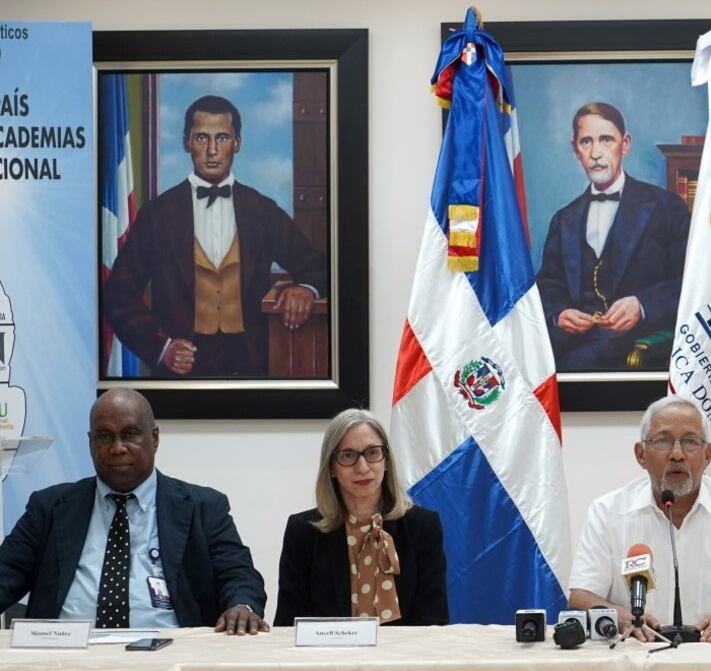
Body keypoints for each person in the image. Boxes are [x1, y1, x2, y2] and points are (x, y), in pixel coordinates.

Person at [0, 388, 268, 633]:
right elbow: (6, 572)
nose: (117, 448)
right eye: (105, 436)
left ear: (154, 439)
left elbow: (238, 574)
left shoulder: (203, 507)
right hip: (64, 655)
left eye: (129, 434)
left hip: (168, 654)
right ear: (90, 442)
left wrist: (242, 606)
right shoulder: (50, 507)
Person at [103, 94, 328, 378]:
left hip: (251, 366)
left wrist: (307, 288)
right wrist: (162, 347)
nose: (212, 150)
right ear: (186, 143)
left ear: (237, 144)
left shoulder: (262, 211)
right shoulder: (158, 215)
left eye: (221, 138)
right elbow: (118, 295)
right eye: (201, 138)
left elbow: (317, 265)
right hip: (182, 371)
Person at [567, 395, 711, 642]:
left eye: (691, 442)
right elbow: (580, 598)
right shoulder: (607, 512)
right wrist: (615, 614)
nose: (677, 454)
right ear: (641, 454)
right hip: (635, 659)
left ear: (708, 456)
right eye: (662, 441)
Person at [535, 102, 691, 371]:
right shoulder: (564, 219)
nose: (596, 153)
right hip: (570, 342)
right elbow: (548, 285)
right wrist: (559, 314)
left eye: (606, 140)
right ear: (575, 150)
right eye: (586, 142)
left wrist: (642, 306)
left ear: (625, 143)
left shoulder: (666, 208)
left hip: (638, 343)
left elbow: (692, 282)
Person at [275, 409, 449, 626]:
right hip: (327, 657)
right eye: (348, 455)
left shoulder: (423, 527)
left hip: (403, 657)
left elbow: (432, 620)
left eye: (372, 453)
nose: (362, 467)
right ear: (331, 467)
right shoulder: (303, 531)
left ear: (386, 461)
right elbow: (290, 623)